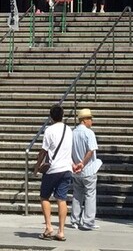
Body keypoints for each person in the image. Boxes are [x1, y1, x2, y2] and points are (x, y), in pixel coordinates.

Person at [35, 103, 73, 240]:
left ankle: (49, 226)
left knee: (44, 197)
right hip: (66, 168)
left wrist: (37, 166)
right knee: (61, 199)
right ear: (62, 116)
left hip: (53, 169)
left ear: (51, 117)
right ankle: (61, 231)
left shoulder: (49, 131)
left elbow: (43, 151)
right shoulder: (69, 130)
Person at [67, 107, 102, 231]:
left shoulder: (73, 133)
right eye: (90, 119)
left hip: (76, 171)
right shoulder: (89, 133)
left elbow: (68, 151)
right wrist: (82, 163)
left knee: (77, 195)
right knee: (90, 195)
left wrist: (74, 165)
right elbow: (91, 151)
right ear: (84, 120)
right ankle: (88, 221)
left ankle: (74, 220)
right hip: (88, 169)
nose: (91, 121)